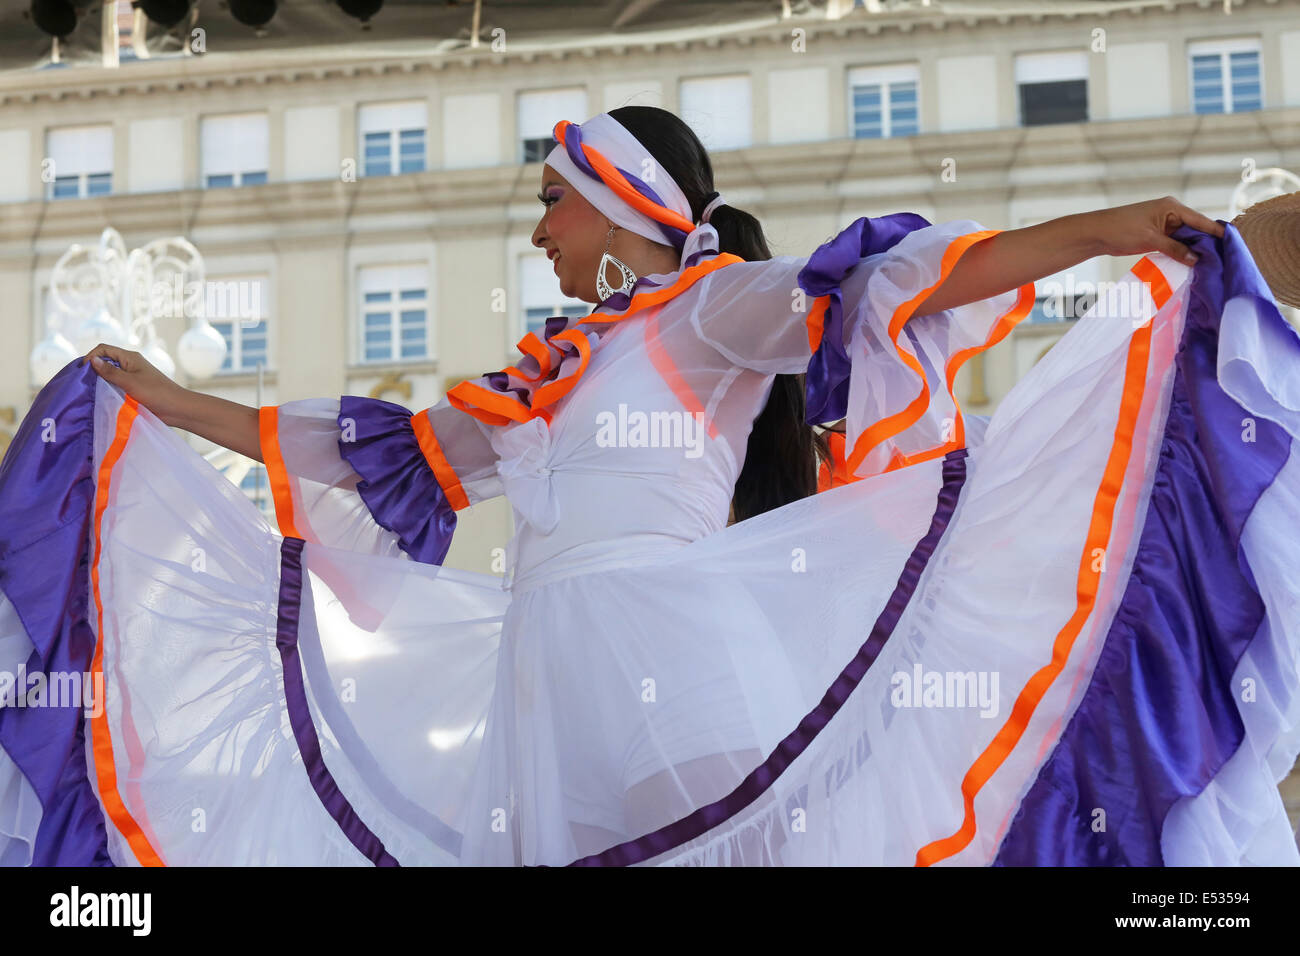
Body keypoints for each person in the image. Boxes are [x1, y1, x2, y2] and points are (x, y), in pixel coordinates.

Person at [1, 107, 1297, 867]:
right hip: (547, 695)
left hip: (671, 673)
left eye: (551, 204)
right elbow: (357, 444)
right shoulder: (537, 388)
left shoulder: (702, 321)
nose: (536, 232)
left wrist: (1104, 229)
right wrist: (168, 402)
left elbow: (906, 277)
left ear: (619, 203)